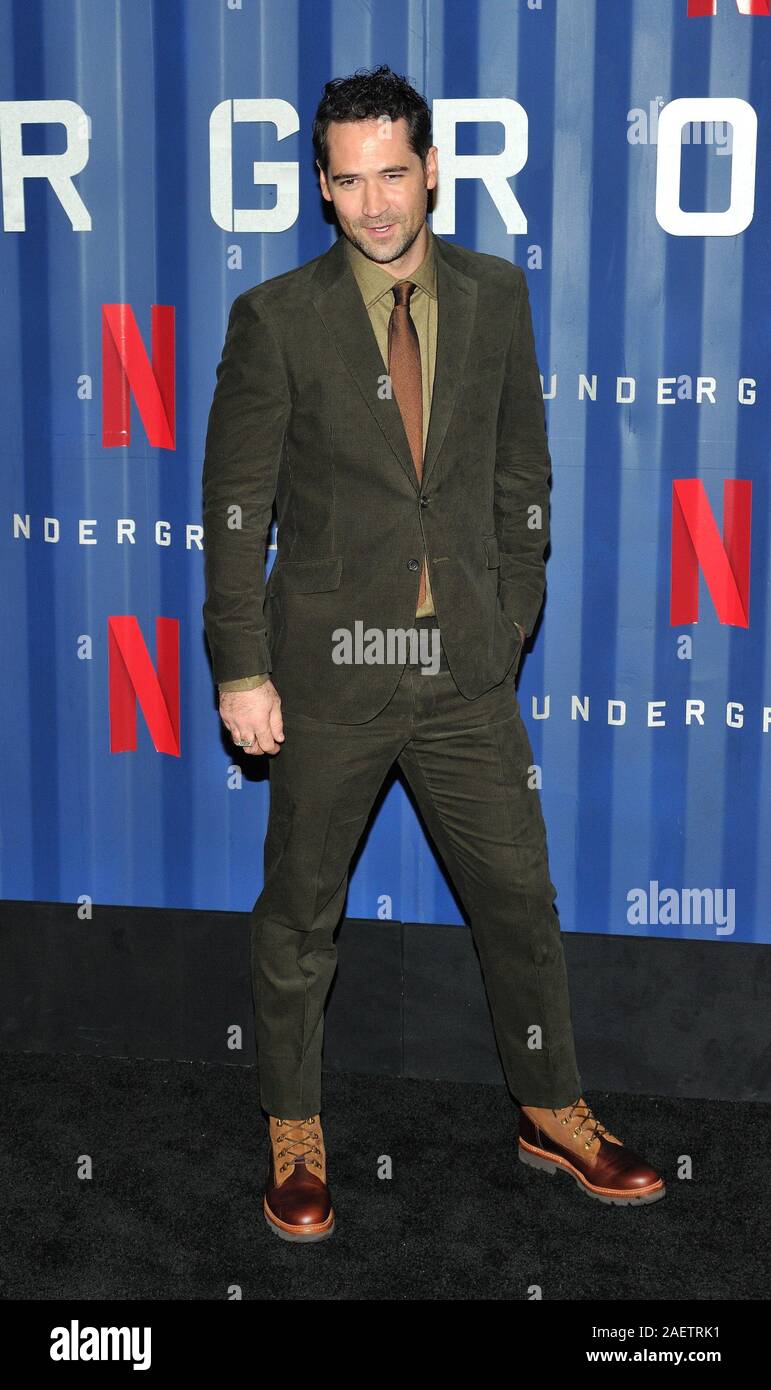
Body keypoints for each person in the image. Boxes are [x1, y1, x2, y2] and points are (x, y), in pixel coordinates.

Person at [201, 64, 665, 1242]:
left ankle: (551, 1107)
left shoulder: (498, 296)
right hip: (327, 675)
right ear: (321, 186)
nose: (374, 203)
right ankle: (294, 1132)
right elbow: (235, 507)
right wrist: (240, 668)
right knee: (302, 915)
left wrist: (509, 614)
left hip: (464, 674)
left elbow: (523, 475)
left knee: (521, 902)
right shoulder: (277, 320)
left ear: (430, 171)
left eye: (392, 173)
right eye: (348, 180)